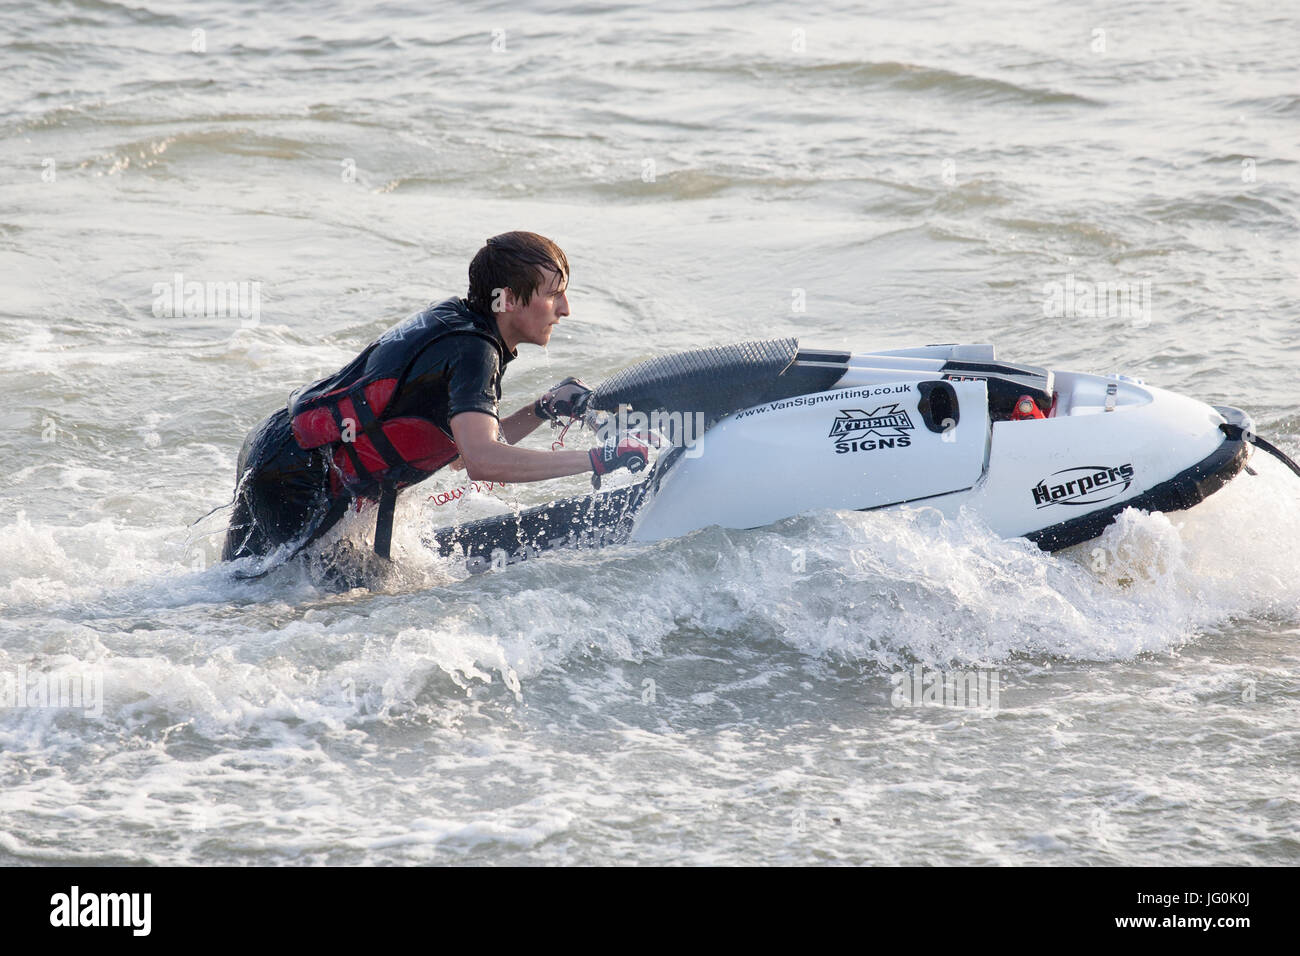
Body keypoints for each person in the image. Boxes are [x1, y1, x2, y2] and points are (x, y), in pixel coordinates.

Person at [222, 231, 648, 571]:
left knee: (259, 590)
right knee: (262, 603)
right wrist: (598, 459)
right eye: (554, 294)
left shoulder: (463, 324)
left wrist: (542, 408)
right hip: (296, 473)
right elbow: (482, 460)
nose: (565, 309)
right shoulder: (474, 350)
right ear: (511, 299)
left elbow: (464, 452)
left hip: (283, 450)